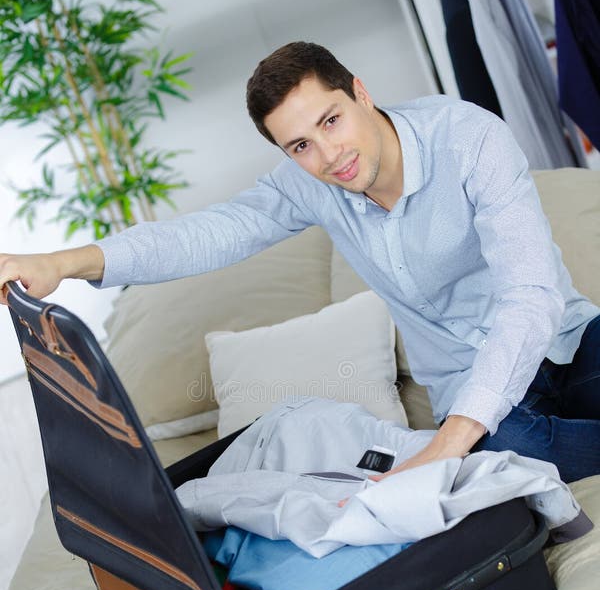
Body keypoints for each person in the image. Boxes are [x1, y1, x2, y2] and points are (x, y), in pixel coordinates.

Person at [1, 41, 599, 482]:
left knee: (485, 436)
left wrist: (448, 443)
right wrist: (61, 262)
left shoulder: (468, 138)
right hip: (478, 393)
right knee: (506, 448)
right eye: (300, 146)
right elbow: (206, 234)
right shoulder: (310, 184)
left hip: (561, 340)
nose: (329, 154)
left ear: (361, 93)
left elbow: (530, 296)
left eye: (331, 120)